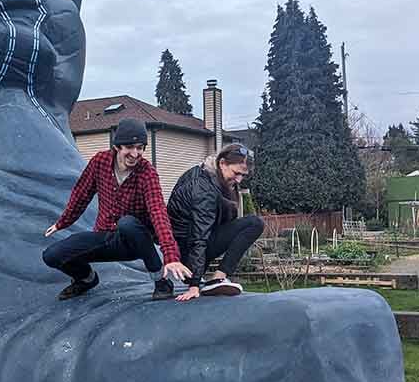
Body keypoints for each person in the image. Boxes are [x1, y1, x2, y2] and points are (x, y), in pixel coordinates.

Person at [43, 118, 191, 300]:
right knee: (52, 255)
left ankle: (161, 281)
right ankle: (86, 279)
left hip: (135, 241)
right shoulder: (100, 162)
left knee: (127, 223)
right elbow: (81, 194)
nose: (135, 154)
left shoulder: (147, 173)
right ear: (117, 146)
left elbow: (158, 212)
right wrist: (62, 222)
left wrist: (171, 255)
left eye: (140, 148)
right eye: (130, 147)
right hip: (105, 236)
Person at [167, 144, 264, 300]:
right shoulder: (203, 189)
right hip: (185, 257)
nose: (239, 179)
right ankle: (217, 278)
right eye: (236, 173)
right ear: (222, 163)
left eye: (243, 175)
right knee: (254, 223)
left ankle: (212, 278)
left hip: (187, 251)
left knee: (250, 223)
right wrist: (194, 284)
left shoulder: (207, 174)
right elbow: (198, 236)